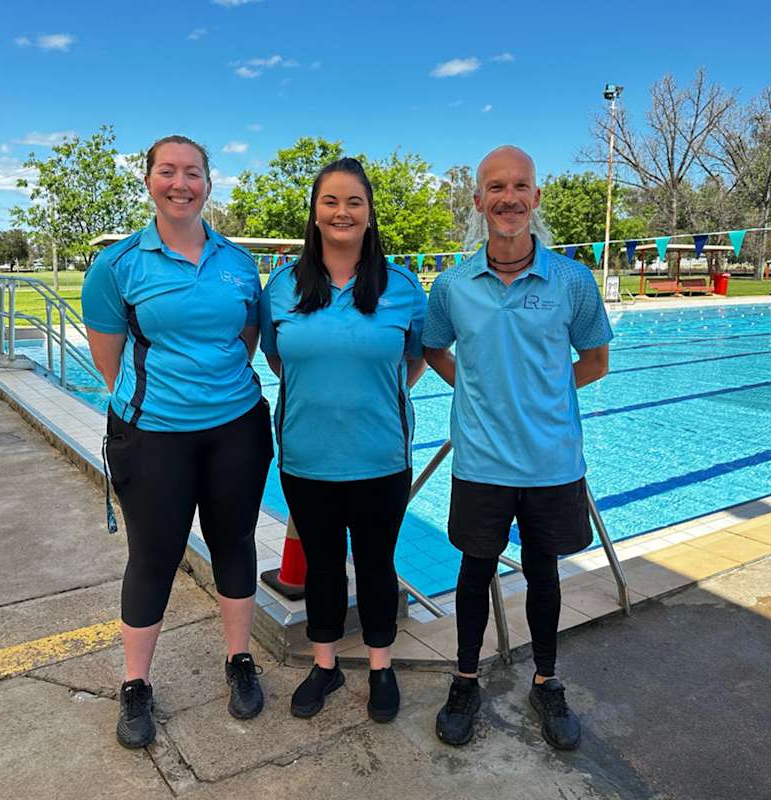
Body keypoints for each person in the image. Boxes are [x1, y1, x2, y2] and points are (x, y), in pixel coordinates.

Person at [81, 135, 273, 749]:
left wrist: (209, 397)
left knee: (234, 543)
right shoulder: (117, 266)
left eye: (193, 173)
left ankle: (239, 660)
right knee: (154, 556)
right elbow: (109, 364)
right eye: (168, 171)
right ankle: (136, 684)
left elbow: (242, 342)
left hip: (235, 428)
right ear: (149, 181)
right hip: (153, 435)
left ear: (208, 184)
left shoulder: (239, 263)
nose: (181, 183)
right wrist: (165, 404)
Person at [422, 145, 612, 750]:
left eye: (520, 186)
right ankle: (465, 679)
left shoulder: (572, 281)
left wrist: (541, 395)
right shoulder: (452, 285)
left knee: (543, 571)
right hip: (481, 460)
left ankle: (548, 681)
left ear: (535, 197)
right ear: (478, 202)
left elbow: (596, 361)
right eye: (495, 188)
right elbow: (433, 349)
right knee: (475, 570)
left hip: (551, 460)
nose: (508, 198)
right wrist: (478, 392)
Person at [259, 157, 427, 723]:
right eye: (330, 200)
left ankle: (382, 667)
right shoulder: (282, 287)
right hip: (307, 456)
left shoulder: (401, 288)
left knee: (378, 564)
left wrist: (370, 393)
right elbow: (277, 357)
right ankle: (325, 665)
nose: (342, 212)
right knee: (324, 568)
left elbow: (417, 356)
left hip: (381, 456)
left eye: (354, 201)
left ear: (370, 214)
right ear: (314, 211)